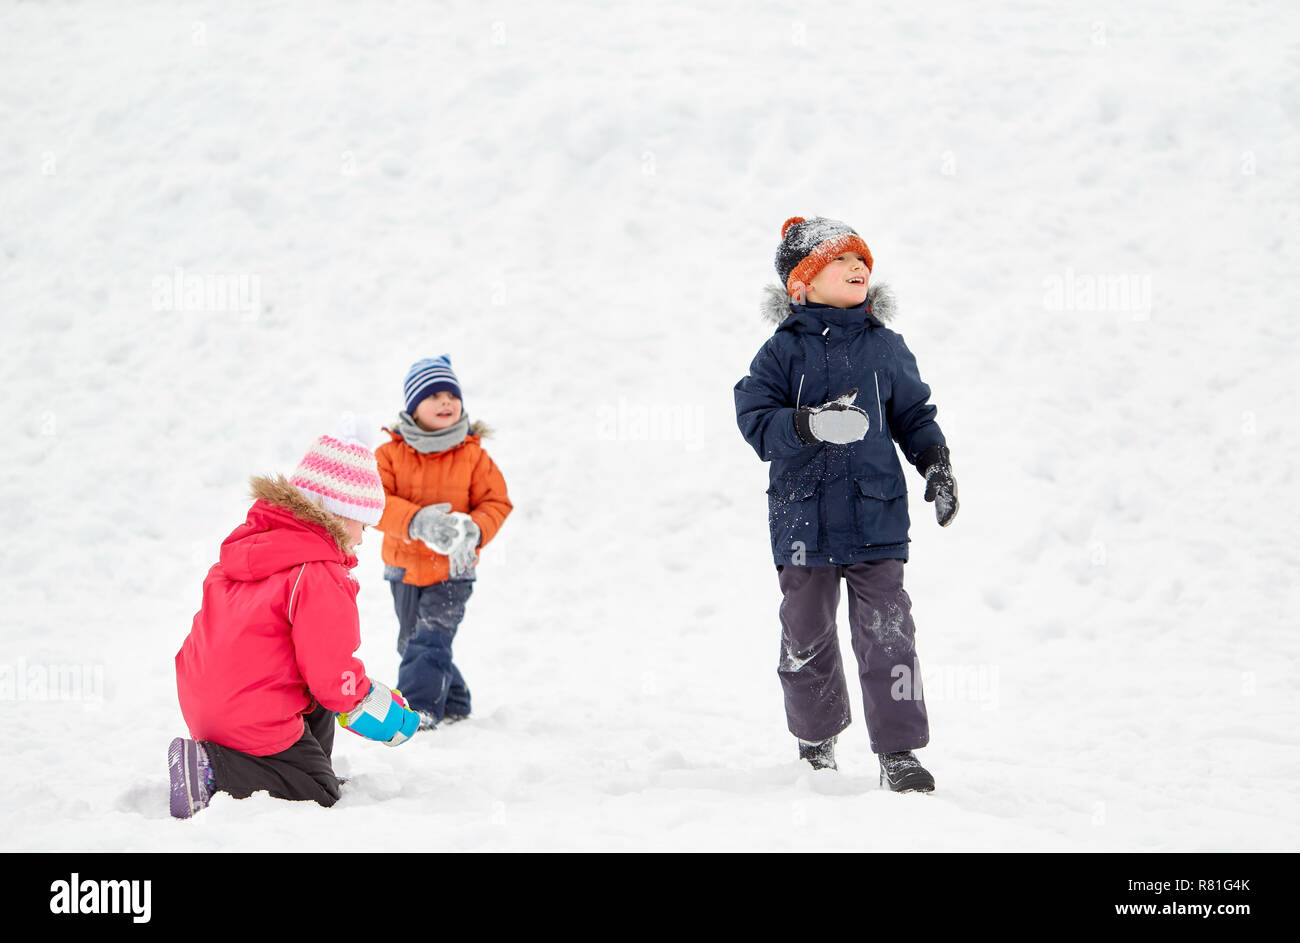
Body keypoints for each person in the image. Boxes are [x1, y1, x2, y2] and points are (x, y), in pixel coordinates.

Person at [733, 216, 959, 792]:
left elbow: (913, 415)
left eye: (862, 259)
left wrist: (935, 462)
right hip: (802, 519)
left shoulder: (886, 346)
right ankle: (816, 740)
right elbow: (756, 421)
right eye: (840, 260)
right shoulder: (779, 353)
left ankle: (900, 752)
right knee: (805, 633)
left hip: (876, 516)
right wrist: (809, 425)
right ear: (801, 285)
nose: (858, 267)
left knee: (889, 635)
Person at [169, 423, 420, 819]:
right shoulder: (318, 572)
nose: (361, 539)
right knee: (318, 793)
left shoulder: (250, 548)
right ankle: (211, 769)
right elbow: (333, 676)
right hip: (251, 715)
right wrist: (383, 712)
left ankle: (298, 763)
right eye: (361, 524)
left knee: (314, 705)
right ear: (335, 516)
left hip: (209, 700)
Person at [376, 356, 512, 729]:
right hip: (403, 566)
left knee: (429, 636)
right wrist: (415, 521)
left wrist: (477, 530)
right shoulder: (389, 455)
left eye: (452, 395)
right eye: (434, 395)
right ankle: (454, 699)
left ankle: (417, 710)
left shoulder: (473, 455)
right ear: (413, 406)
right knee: (412, 642)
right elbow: (374, 502)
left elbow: (496, 502)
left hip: (454, 568)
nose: (446, 402)